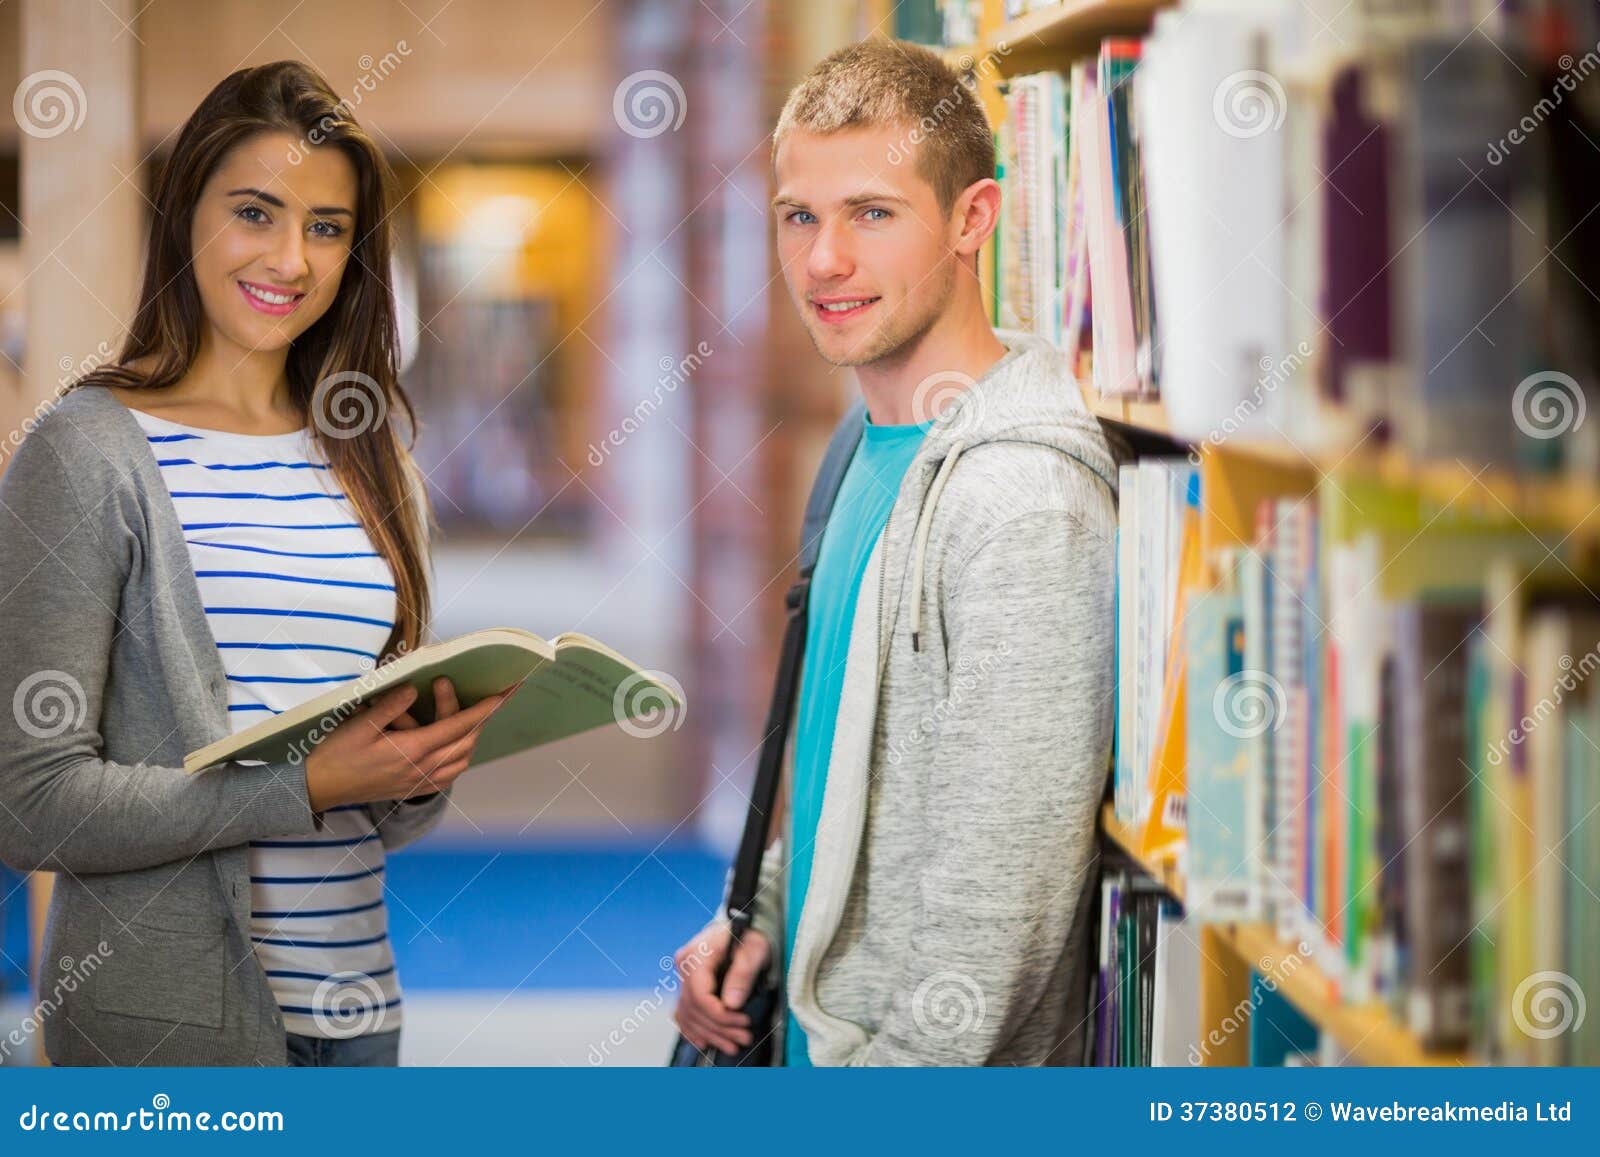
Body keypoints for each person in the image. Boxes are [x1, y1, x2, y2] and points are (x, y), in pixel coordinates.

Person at [0, 61, 518, 1067]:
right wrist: (307, 781)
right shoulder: (87, 450)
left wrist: (413, 768)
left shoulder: (375, 462)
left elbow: (369, 807)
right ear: (185, 212)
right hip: (166, 1032)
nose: (293, 257)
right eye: (255, 211)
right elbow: (30, 802)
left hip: (359, 1017)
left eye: (327, 227)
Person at [671, 38, 1117, 1066]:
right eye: (799, 216)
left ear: (973, 219)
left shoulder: (1020, 503)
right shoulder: (857, 450)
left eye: (872, 212)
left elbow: (998, 914)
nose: (823, 260)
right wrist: (766, 910)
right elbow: (844, 764)